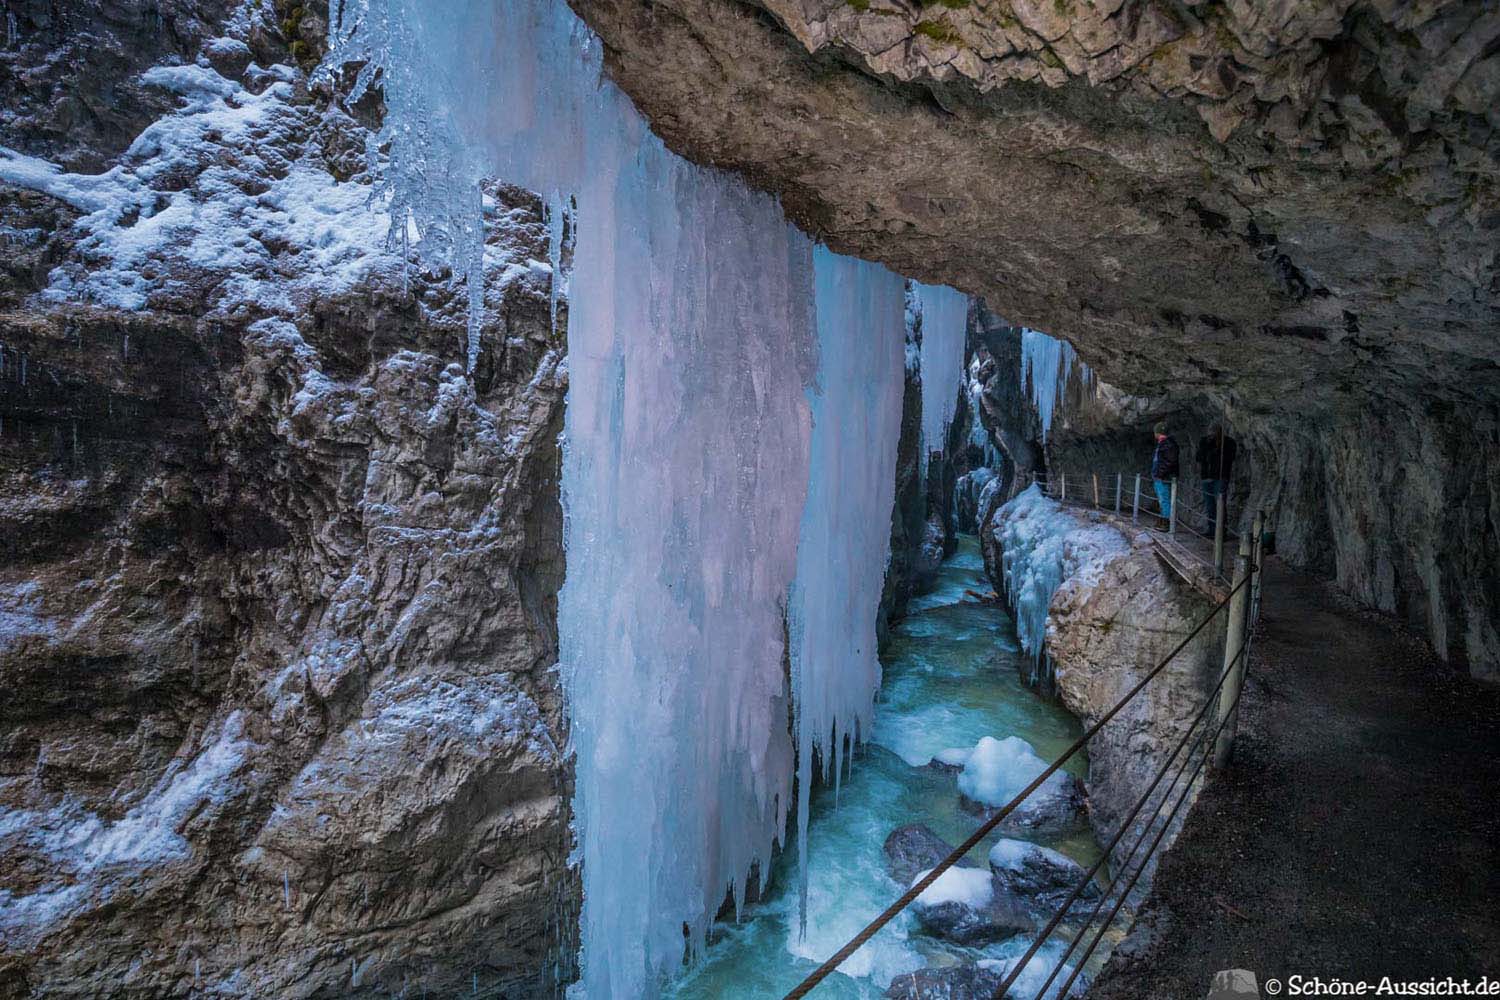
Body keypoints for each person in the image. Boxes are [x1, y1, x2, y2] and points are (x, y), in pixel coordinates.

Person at [1198, 424, 1238, 537]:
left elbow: (1230, 458)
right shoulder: (1204, 442)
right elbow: (1199, 457)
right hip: (1207, 477)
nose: (1212, 434)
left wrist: (1219, 446)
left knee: (1220, 505)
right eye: (1210, 432)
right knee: (1210, 505)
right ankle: (1212, 529)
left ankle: (1221, 532)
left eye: (1214, 432)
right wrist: (1209, 446)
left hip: (1220, 477)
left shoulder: (1228, 443)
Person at [1150, 421, 1179, 525]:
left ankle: (1167, 522)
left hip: (1164, 477)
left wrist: (1160, 474)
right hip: (1160, 476)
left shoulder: (1167, 444)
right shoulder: (1163, 443)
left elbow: (1169, 462)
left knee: (1164, 500)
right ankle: (1164, 519)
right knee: (1162, 500)